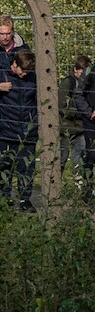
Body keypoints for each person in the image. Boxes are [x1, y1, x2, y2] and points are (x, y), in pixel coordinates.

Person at [0, 50, 39, 211]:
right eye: (22, 71)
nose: (24, 75)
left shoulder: (32, 78)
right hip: (5, 130)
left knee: (26, 167)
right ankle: (2, 199)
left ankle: (24, 200)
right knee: (3, 166)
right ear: (14, 65)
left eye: (27, 72)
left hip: (27, 130)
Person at [0, 16, 30, 185]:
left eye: (8, 33)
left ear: (12, 32)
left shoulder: (23, 49)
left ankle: (22, 192)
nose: (5, 37)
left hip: (20, 107)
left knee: (22, 152)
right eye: (2, 34)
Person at [60, 56, 90, 174]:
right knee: (62, 157)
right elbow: (61, 106)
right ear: (75, 70)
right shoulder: (68, 83)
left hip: (81, 128)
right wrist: (82, 112)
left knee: (81, 158)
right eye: (82, 71)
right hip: (66, 128)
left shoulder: (88, 85)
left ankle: (79, 186)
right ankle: (55, 186)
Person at [73, 56, 95, 204]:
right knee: (91, 155)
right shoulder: (89, 72)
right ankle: (87, 192)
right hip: (92, 122)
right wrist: (89, 112)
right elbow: (78, 95)